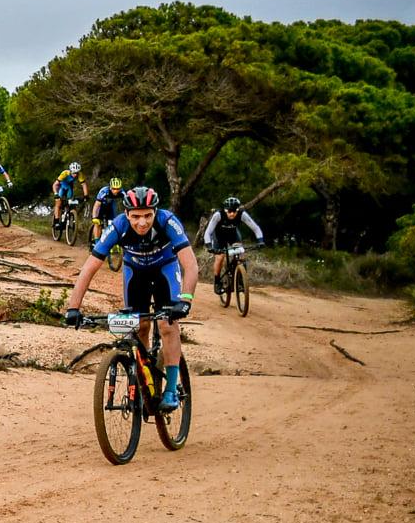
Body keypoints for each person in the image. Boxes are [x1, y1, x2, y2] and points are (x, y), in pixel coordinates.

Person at [63, 187, 199, 411]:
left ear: (155, 211)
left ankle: (172, 389)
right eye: (135, 216)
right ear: (126, 214)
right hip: (136, 272)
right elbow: (89, 268)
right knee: (140, 325)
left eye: (147, 215)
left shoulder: (168, 222)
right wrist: (73, 308)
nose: (142, 222)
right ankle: (144, 377)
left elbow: (190, 264)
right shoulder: (117, 226)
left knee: (167, 325)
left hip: (165, 270)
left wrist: (185, 299)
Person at [201, 196, 264, 288]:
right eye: (229, 211)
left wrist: (260, 241)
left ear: (238, 210)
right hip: (219, 237)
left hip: (233, 235)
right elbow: (208, 232)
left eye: (234, 211)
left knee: (241, 253)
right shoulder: (218, 215)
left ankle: (241, 279)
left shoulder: (242, 214)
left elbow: (255, 228)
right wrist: (209, 246)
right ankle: (217, 281)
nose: (232, 214)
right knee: (220, 257)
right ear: (225, 210)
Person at [51, 161, 86, 232]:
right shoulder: (64, 173)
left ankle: (70, 214)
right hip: (61, 186)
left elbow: (84, 185)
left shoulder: (80, 174)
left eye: (77, 173)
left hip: (69, 186)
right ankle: (57, 221)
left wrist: (86, 195)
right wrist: (56, 194)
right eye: (74, 173)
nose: (75, 175)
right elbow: (55, 184)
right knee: (58, 202)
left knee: (71, 200)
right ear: (70, 171)